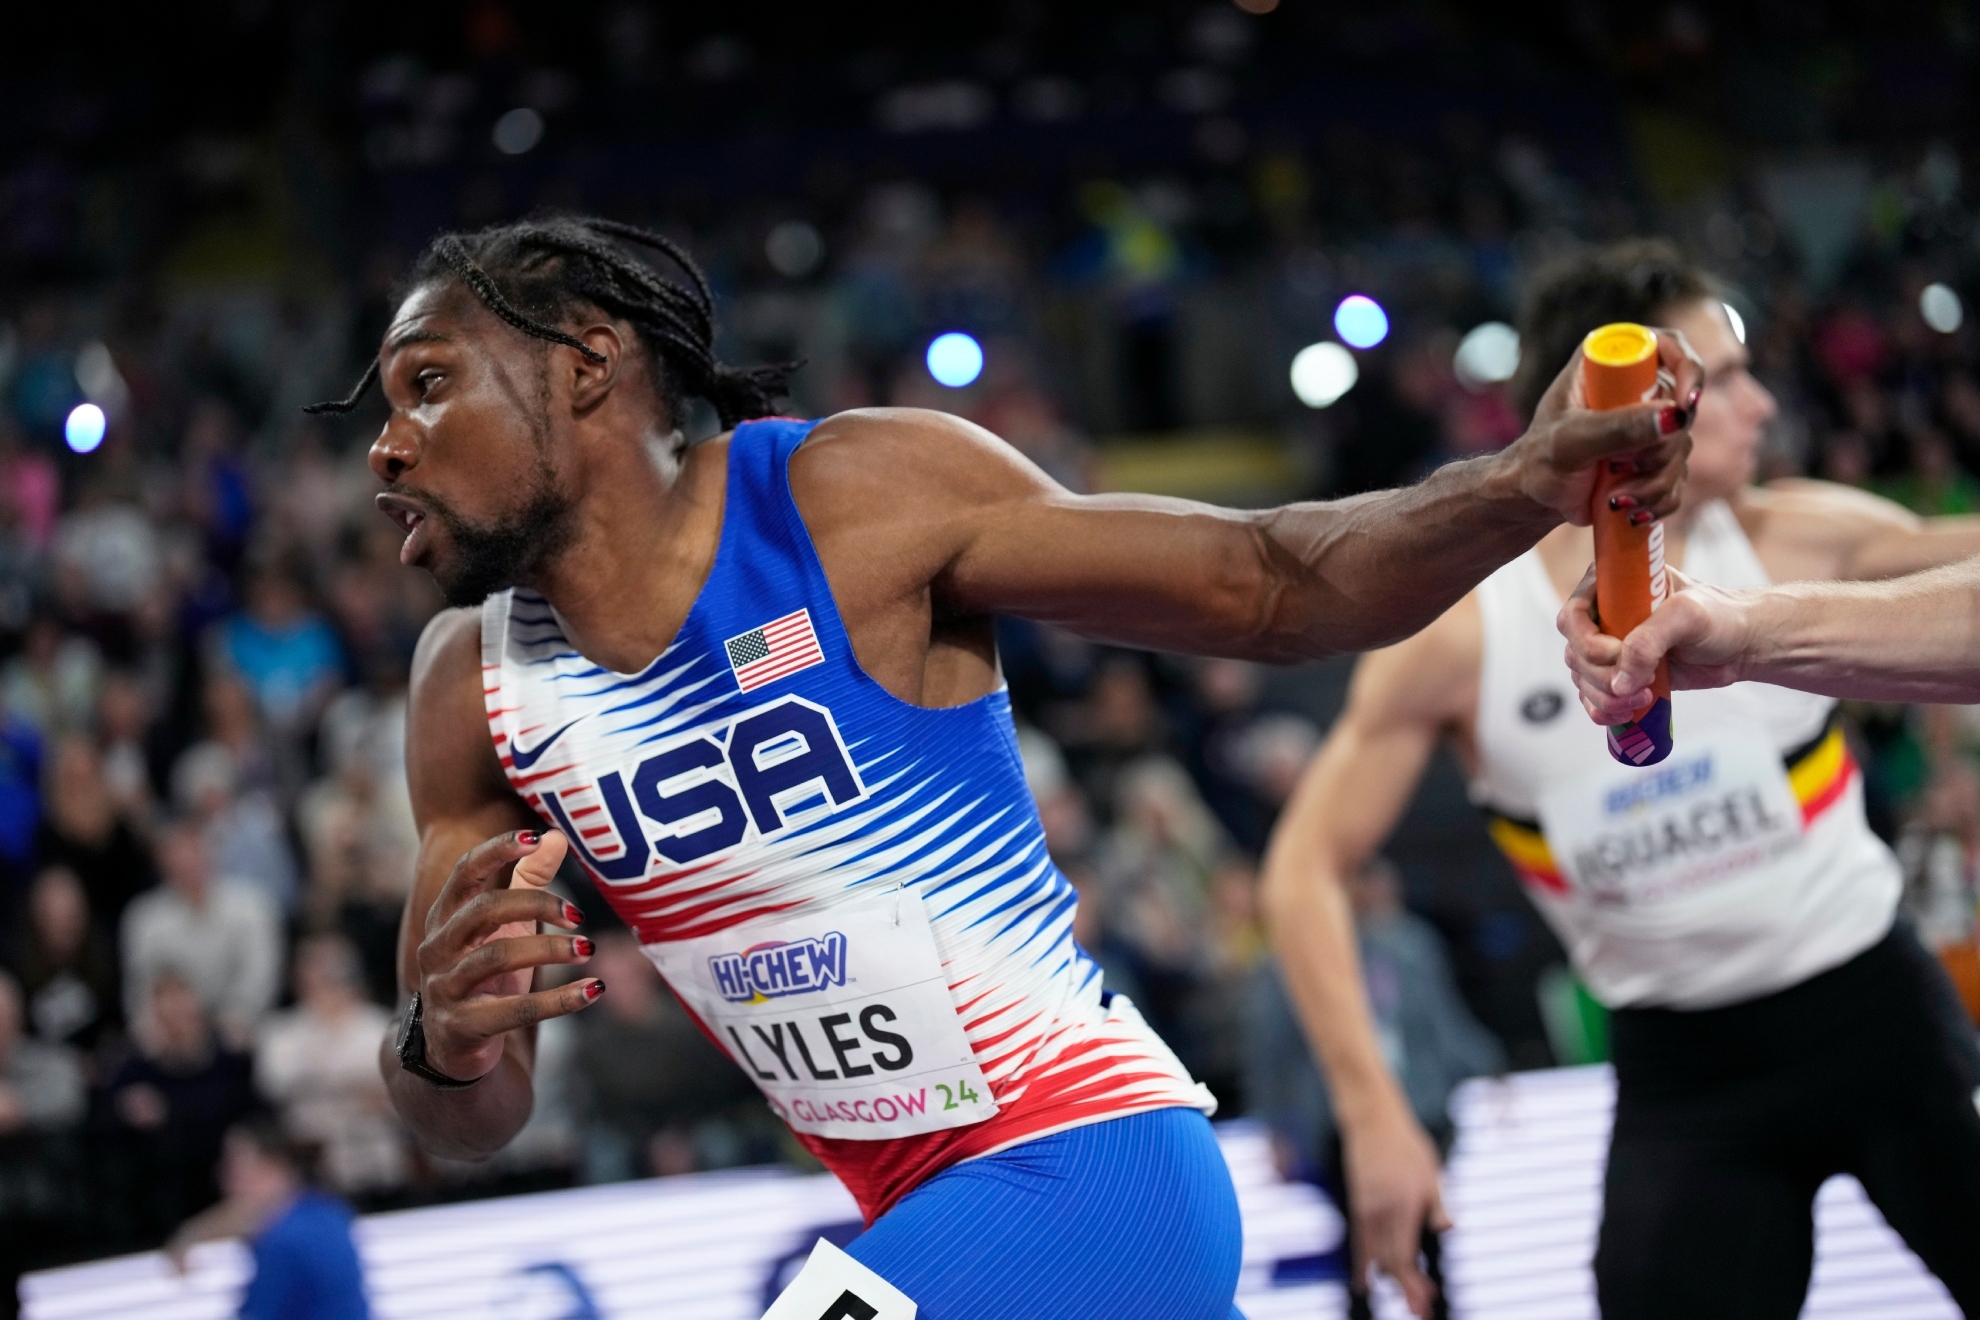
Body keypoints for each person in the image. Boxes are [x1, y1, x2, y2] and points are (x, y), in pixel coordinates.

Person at [311, 216, 1691, 1319]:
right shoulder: (468, 691)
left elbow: (1269, 582)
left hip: (1092, 1165)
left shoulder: (854, 505)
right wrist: (441, 1035)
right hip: (930, 1223)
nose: (386, 444)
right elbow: (470, 1121)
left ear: (587, 364)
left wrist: (1520, 484)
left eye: (429, 386)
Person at [1262, 239, 1980, 1320]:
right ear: (1608, 411)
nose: (1761, 406)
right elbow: (1304, 869)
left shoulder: (1803, 533)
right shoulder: (1467, 630)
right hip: (1686, 1079)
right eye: (1722, 381)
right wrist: (1371, 1112)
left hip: (1882, 1019)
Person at [168, 1117, 370, 1320]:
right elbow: (237, 1216)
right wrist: (190, 1235)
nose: (225, 1180)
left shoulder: (284, 1241)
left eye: (237, 1169)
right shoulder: (327, 1213)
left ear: (274, 1169)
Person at [255, 935, 405, 1195]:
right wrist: (352, 1084)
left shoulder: (378, 1024)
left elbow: (398, 1084)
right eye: (316, 971)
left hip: (376, 1157)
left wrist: (325, 1084)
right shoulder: (281, 1032)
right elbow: (275, 1082)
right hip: (311, 1158)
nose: (326, 981)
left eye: (335, 972)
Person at [121, 819, 283, 1046]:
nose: (190, 869)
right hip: (170, 1032)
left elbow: (260, 978)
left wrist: (233, 1021)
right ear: (164, 866)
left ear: (211, 857)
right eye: (180, 864)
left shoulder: (253, 906)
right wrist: (171, 1028)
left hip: (244, 1027)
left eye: (196, 858)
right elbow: (141, 989)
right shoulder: (144, 919)